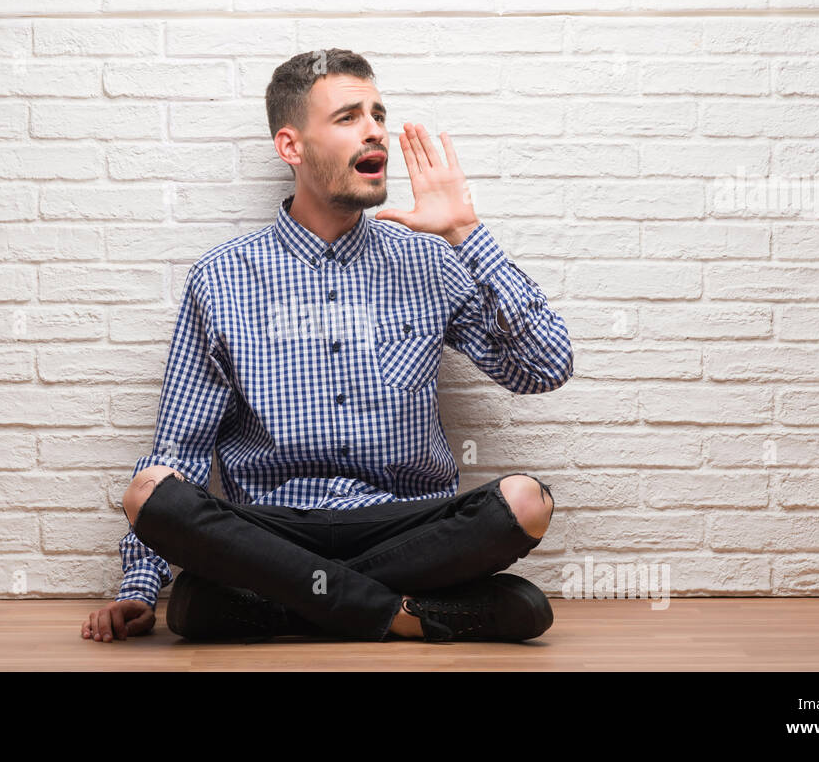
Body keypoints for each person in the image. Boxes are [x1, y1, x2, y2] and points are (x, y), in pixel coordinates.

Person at [82, 48, 573, 645]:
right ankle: (402, 613)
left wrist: (465, 232)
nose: (375, 131)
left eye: (378, 114)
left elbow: (546, 367)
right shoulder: (222, 279)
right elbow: (180, 449)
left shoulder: (432, 262)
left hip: (403, 526)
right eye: (348, 117)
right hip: (272, 531)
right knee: (150, 491)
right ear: (291, 146)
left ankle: (281, 604)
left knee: (526, 502)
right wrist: (138, 586)